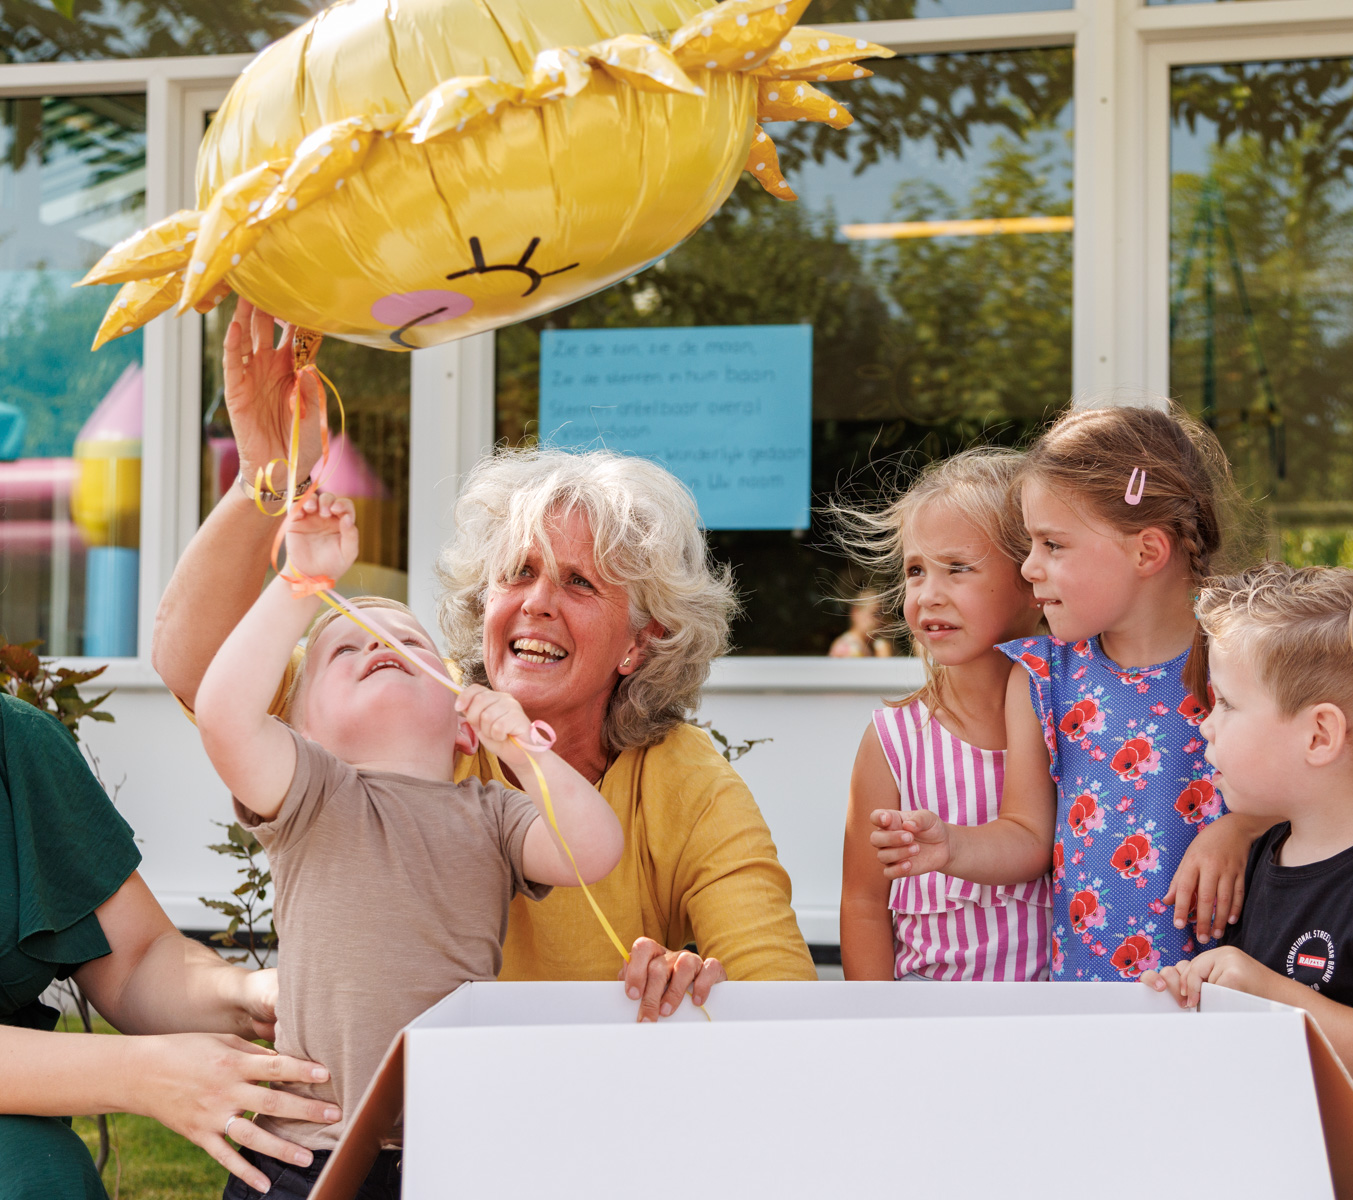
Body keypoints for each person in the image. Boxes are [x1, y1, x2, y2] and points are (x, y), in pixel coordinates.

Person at [153, 302, 814, 1023]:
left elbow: (778, 993)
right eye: (517, 572)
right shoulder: (410, 704)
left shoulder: (686, 780)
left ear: (640, 642)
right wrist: (271, 476)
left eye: (579, 582)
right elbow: (194, 662)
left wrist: (701, 995)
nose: (535, 602)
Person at [195, 493, 624, 1199]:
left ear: (462, 725)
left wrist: (528, 753)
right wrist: (302, 582)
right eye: (346, 646)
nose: (378, 644)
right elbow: (223, 714)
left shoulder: (494, 812)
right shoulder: (313, 795)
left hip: (453, 1149)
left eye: (409, 645)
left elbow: (592, 850)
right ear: (301, 734)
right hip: (310, 1151)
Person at [870, 401, 1268, 981]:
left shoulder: (1239, 659)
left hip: (1225, 1001)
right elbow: (1028, 835)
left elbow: (1307, 793)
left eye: (1052, 545)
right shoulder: (1042, 678)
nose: (1029, 568)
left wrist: (1242, 826)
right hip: (1088, 998)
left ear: (1146, 552)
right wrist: (951, 848)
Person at [1143, 563, 1353, 1200]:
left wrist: (1265, 990)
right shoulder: (1263, 856)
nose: (1205, 724)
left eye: (1228, 704)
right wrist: (1198, 992)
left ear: (1320, 734)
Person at [0, 694, 337, 1200]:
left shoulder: (18, 741)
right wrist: (144, 1071)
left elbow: (135, 958)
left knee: (45, 1173)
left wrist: (249, 996)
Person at [837, 448, 1050, 981]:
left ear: (1034, 579)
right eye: (915, 571)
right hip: (925, 1029)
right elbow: (863, 904)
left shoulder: (1074, 718)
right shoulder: (893, 741)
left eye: (958, 569)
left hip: (1050, 1030)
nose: (928, 595)